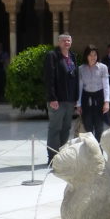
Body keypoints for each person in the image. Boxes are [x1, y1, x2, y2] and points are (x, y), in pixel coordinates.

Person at [45, 33, 79, 163]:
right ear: (59, 42)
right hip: (57, 100)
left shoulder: (72, 57)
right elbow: (49, 78)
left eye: (69, 40)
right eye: (64, 41)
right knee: (55, 128)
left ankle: (62, 154)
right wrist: (52, 98)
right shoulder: (52, 56)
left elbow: (75, 78)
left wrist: (76, 98)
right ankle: (52, 157)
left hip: (70, 100)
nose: (67, 43)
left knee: (66, 128)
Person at [76, 44, 110, 142]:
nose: (93, 57)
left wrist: (106, 102)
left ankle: (99, 151)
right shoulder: (81, 69)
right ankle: (90, 151)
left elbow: (106, 85)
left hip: (99, 98)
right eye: (90, 55)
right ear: (86, 56)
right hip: (86, 99)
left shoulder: (103, 67)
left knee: (99, 127)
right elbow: (80, 87)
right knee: (88, 127)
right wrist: (78, 104)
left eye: (95, 55)